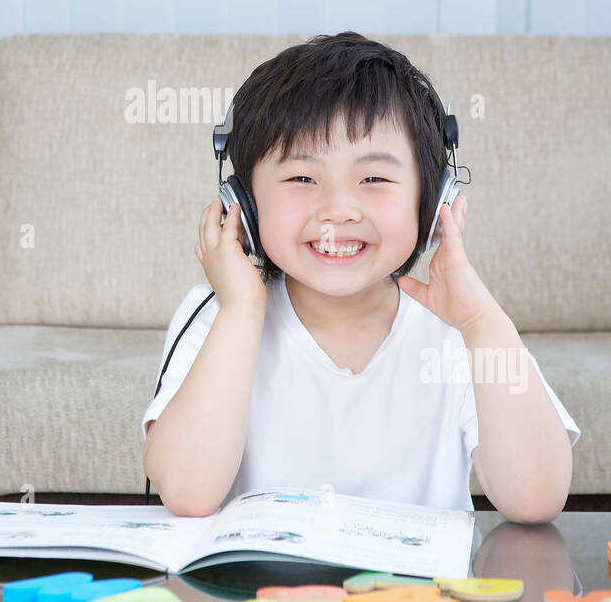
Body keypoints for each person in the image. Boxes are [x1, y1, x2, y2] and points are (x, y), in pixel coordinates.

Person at [141, 32, 579, 519]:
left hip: (419, 596)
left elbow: (536, 499)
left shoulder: (463, 332)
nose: (338, 211)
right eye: (301, 178)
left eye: (373, 179)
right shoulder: (218, 316)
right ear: (242, 203)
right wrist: (243, 309)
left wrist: (481, 323)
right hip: (264, 595)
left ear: (434, 203)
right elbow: (186, 492)